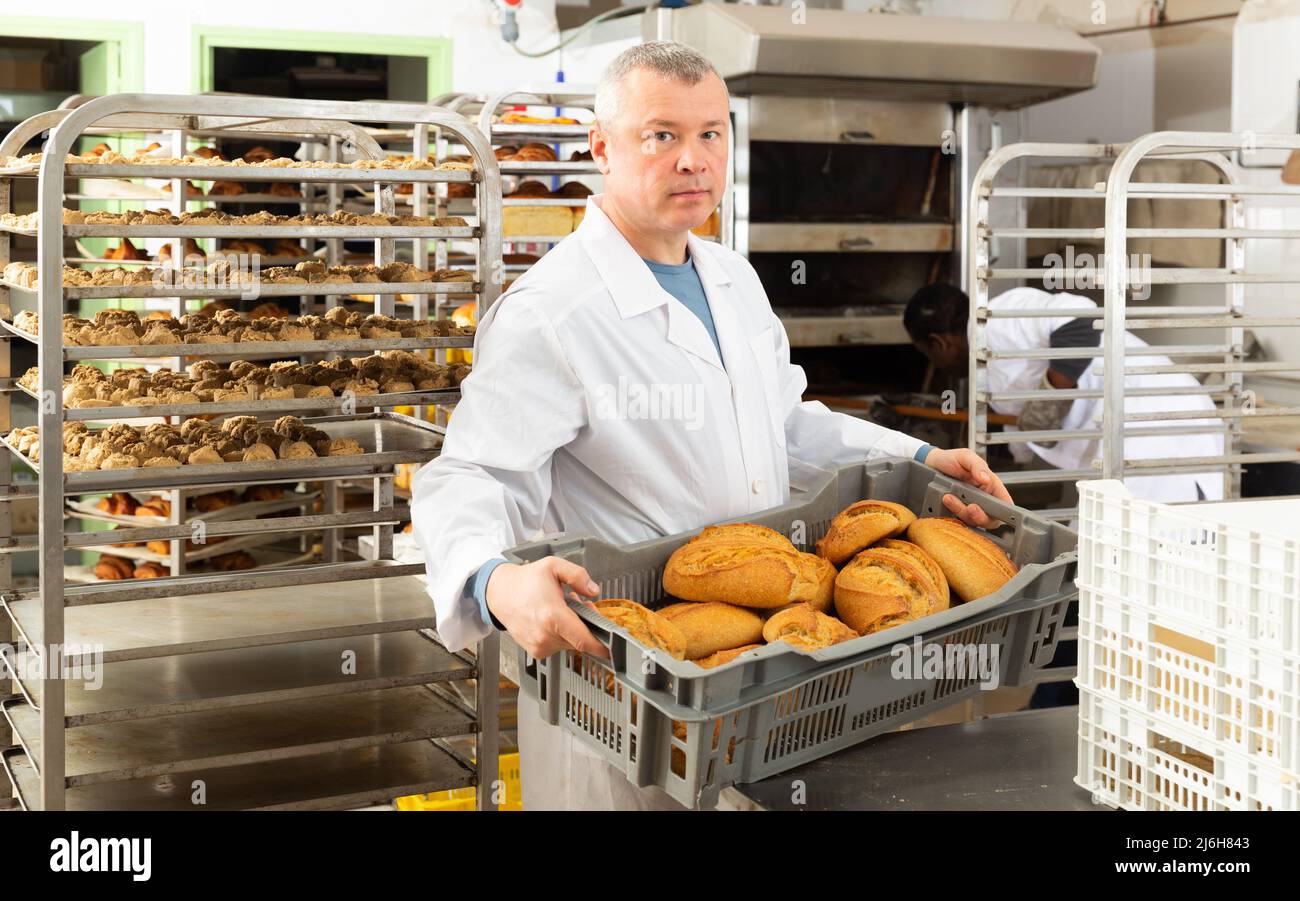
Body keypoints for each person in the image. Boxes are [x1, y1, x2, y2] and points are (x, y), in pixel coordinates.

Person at [411, 42, 1014, 810]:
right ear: (601, 146)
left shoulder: (731, 277)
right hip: (623, 688)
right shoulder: (552, 313)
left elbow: (787, 421)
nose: (693, 160)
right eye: (661, 135)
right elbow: (466, 476)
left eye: (711, 133)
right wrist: (495, 581)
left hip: (750, 674)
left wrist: (925, 454)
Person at [904, 283, 1225, 504]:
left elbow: (1081, 321)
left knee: (1140, 556)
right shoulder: (986, 374)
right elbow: (1028, 440)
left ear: (939, 343)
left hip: (1159, 429)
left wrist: (1052, 396)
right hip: (1125, 447)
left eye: (928, 355)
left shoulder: (997, 319)